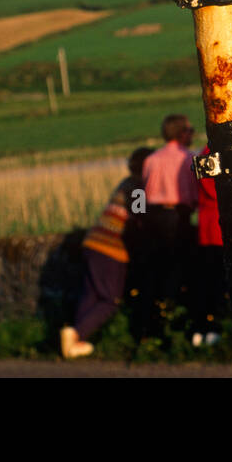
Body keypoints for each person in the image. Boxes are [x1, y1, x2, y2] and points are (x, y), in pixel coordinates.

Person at [60, 146, 153, 360]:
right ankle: (76, 333)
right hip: (111, 248)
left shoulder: (125, 183)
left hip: (93, 241)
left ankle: (74, 341)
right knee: (110, 300)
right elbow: (138, 220)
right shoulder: (138, 188)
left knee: (91, 293)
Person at [135, 114, 200, 341]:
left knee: (153, 269)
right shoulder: (189, 158)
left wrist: (141, 218)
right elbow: (194, 194)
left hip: (153, 216)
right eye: (190, 130)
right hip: (177, 215)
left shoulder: (151, 159)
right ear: (182, 133)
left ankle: (147, 323)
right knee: (178, 267)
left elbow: (140, 193)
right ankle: (171, 315)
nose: (193, 134)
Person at [191, 164, 228, 347]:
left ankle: (200, 328)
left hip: (206, 226)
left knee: (205, 281)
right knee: (216, 282)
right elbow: (216, 192)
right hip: (216, 228)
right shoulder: (211, 155)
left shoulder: (203, 155)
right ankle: (212, 327)